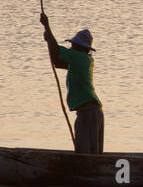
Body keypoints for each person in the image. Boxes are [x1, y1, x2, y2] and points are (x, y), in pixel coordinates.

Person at [40, 14, 103, 154]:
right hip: (91, 112)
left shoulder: (79, 58)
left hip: (88, 113)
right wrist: (49, 41)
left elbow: (57, 51)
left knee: (85, 155)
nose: (71, 47)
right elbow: (56, 61)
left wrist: (47, 27)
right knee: (93, 154)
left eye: (73, 45)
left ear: (78, 47)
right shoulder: (84, 60)